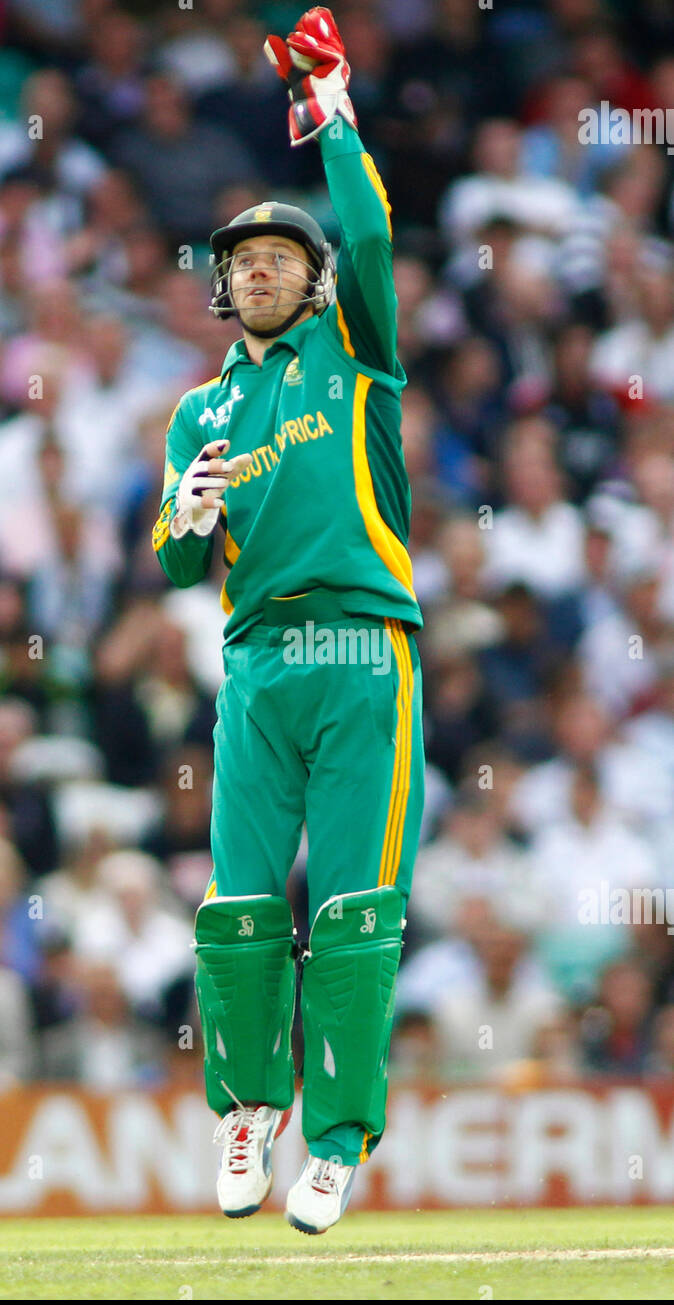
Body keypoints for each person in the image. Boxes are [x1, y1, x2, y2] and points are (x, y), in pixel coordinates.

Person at [152, 7, 425, 1235]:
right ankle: (246, 1112)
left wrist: (331, 106)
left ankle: (336, 1140)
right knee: (240, 910)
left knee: (353, 916)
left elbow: (365, 220)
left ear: (315, 284)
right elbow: (166, 570)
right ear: (222, 289)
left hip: (363, 649)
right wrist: (184, 515)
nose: (258, 270)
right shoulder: (196, 413)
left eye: (280, 259)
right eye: (240, 262)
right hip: (259, 663)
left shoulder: (356, 351)